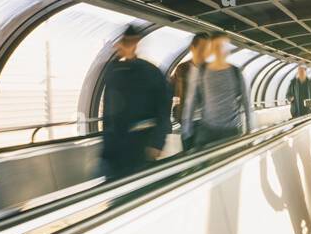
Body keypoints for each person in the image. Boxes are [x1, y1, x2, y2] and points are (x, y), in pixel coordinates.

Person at [100, 23, 171, 179]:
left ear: (136, 44)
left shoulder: (150, 72)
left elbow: (163, 110)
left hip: (139, 146)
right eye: (124, 42)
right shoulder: (114, 70)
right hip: (114, 148)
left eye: (128, 42)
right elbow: (108, 109)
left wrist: (156, 143)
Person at [181, 32, 255, 149]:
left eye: (223, 46)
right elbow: (191, 100)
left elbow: (246, 102)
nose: (220, 50)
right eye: (216, 46)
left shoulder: (236, 72)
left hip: (231, 131)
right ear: (212, 49)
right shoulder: (201, 71)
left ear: (228, 49)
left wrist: (250, 131)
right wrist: (186, 131)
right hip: (207, 130)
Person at [169, 33, 208, 152]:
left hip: (205, 122)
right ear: (193, 48)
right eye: (201, 48)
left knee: (203, 155)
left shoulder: (211, 69)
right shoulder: (182, 68)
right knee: (188, 154)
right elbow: (172, 89)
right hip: (186, 121)